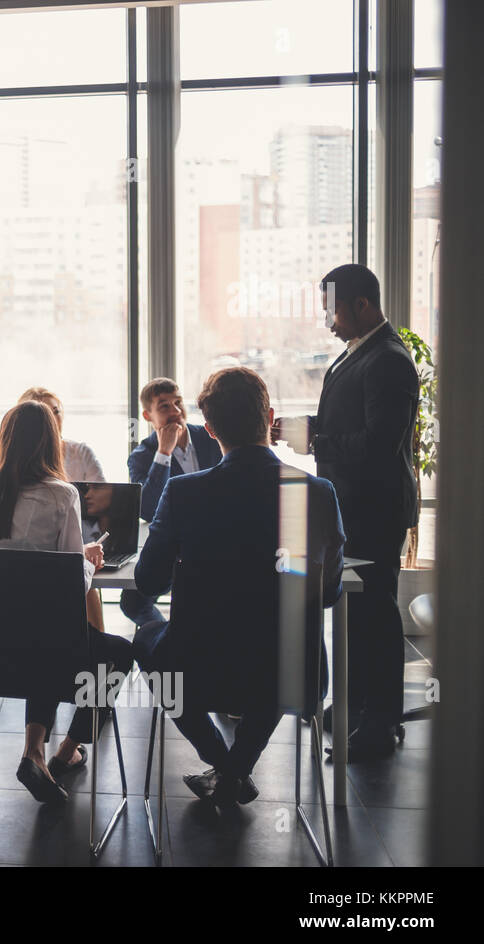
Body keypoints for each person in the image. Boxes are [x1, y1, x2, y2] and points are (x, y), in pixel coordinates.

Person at [133, 367, 345, 808]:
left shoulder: (185, 493)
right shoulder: (317, 492)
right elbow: (328, 594)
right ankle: (237, 769)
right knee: (275, 654)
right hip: (295, 673)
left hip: (200, 668)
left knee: (148, 644)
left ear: (209, 429)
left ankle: (224, 764)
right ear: (269, 416)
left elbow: (147, 582)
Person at [274, 264, 419, 761]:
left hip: (374, 510)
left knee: (375, 613)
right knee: (357, 613)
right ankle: (358, 709)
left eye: (331, 309)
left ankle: (379, 724)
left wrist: (318, 439)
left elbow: (381, 444)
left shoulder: (390, 361)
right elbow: (349, 422)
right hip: (352, 506)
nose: (327, 321)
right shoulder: (357, 355)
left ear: (361, 305)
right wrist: (305, 429)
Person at [0, 401, 133, 805]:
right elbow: (71, 585)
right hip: (51, 652)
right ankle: (66, 749)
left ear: (4, 437)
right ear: (52, 444)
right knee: (117, 653)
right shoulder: (62, 495)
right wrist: (88, 561)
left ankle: (34, 752)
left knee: (44, 631)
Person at [122, 377, 223, 629]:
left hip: (217, 539)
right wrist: (163, 454)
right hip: (173, 545)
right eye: (164, 406)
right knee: (133, 602)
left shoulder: (212, 438)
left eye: (178, 403)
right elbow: (146, 510)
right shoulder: (141, 456)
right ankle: (170, 637)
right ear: (147, 415)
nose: (176, 411)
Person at [20, 387, 109, 631]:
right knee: (81, 575)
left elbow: (102, 499)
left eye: (55, 411)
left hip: (83, 534)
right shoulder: (59, 489)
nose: (50, 419)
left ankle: (92, 642)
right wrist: (83, 557)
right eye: (41, 414)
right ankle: (91, 648)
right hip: (51, 550)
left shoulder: (80, 452)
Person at [19, 387, 106, 482]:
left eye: (56, 412)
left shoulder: (82, 453)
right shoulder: (18, 460)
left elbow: (102, 493)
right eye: (45, 415)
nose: (53, 420)